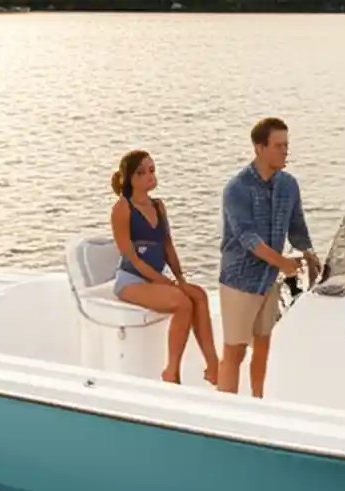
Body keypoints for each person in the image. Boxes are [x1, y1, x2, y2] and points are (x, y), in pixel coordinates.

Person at [216, 117, 321, 398]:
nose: (285, 151)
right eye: (279, 146)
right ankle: (223, 409)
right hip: (239, 280)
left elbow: (297, 227)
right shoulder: (236, 189)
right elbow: (248, 238)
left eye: (287, 145)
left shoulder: (289, 185)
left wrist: (309, 254)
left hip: (268, 281)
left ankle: (257, 403)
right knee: (235, 351)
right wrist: (284, 264)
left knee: (262, 345)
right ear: (259, 148)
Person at [110, 149, 220, 385]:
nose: (150, 175)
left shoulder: (158, 206)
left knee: (198, 294)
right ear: (130, 179)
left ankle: (213, 365)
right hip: (131, 280)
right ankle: (171, 371)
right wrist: (166, 283)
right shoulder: (122, 209)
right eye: (142, 172)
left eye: (152, 170)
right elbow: (133, 259)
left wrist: (180, 278)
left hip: (153, 278)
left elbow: (168, 245)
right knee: (181, 303)